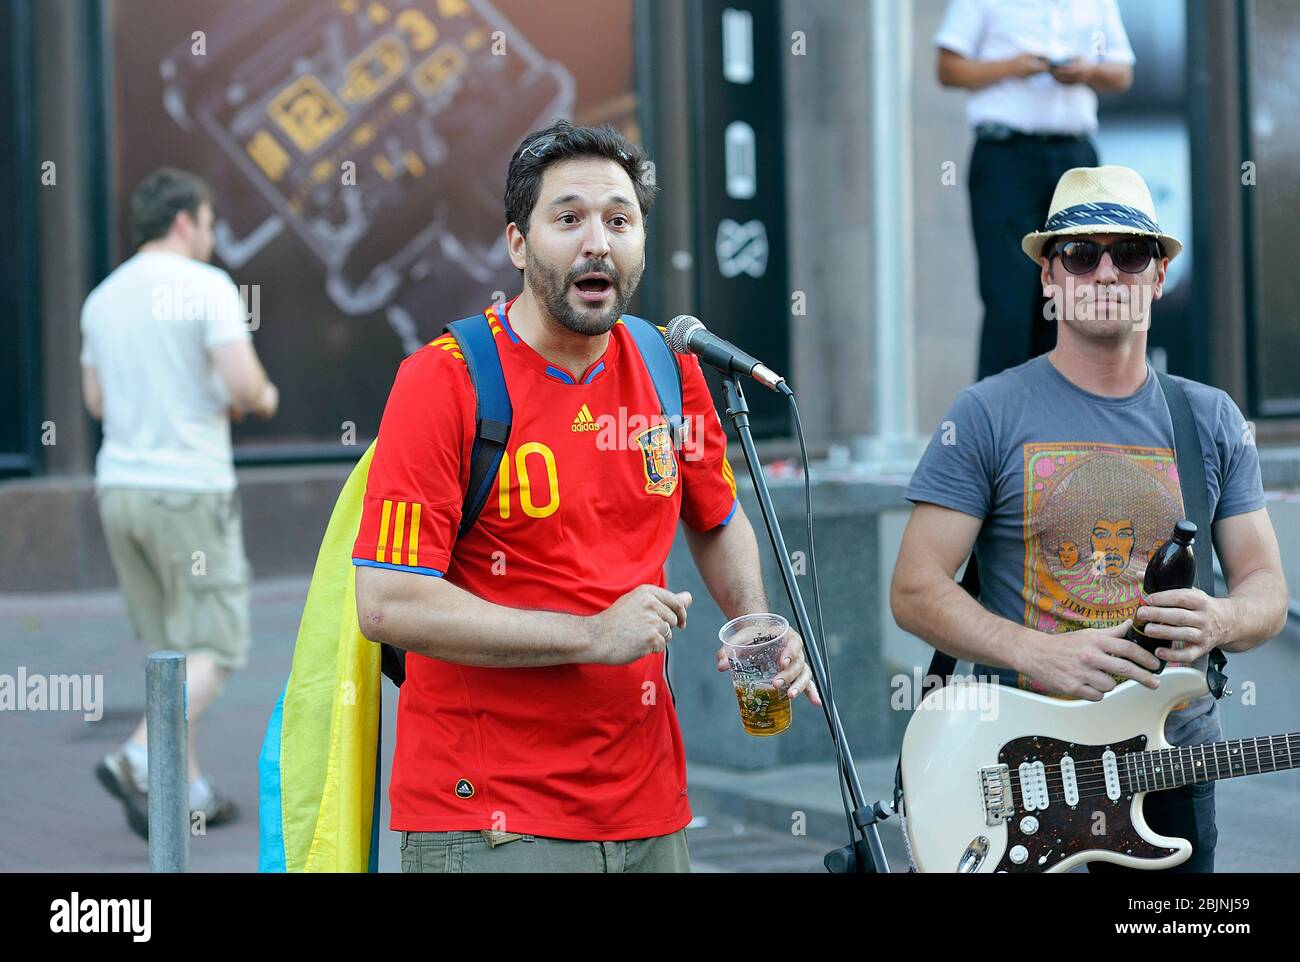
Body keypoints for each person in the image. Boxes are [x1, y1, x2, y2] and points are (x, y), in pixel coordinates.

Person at [352, 120, 820, 873]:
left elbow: (718, 514)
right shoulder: (444, 379)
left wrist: (755, 621)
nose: (596, 241)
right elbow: (387, 603)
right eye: (567, 219)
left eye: (619, 220)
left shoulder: (672, 366)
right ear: (517, 243)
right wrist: (588, 636)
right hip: (492, 821)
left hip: (652, 808)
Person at [891, 166, 1289, 872]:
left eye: (1130, 253)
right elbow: (915, 589)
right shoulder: (986, 413)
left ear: (1159, 275)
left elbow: (1265, 588)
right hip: (1026, 771)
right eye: (1080, 253)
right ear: (1050, 277)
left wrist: (1221, 621)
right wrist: (1034, 652)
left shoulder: (1212, 417)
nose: (1106, 271)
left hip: (1171, 767)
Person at [83, 167, 279, 837]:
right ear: (184, 222)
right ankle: (138, 755)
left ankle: (188, 791)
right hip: (188, 490)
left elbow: (97, 403)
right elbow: (245, 384)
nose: (214, 234)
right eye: (209, 220)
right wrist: (262, 397)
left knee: (172, 645)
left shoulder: (102, 299)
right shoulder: (207, 287)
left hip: (120, 490)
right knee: (219, 646)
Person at [935, 0, 1135, 379]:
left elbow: (1122, 74)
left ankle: (1069, 423)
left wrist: (1087, 71)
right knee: (1008, 299)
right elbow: (947, 68)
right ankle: (998, 430)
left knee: (1074, 295)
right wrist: (1013, 66)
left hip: (1074, 157)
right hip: (1006, 157)